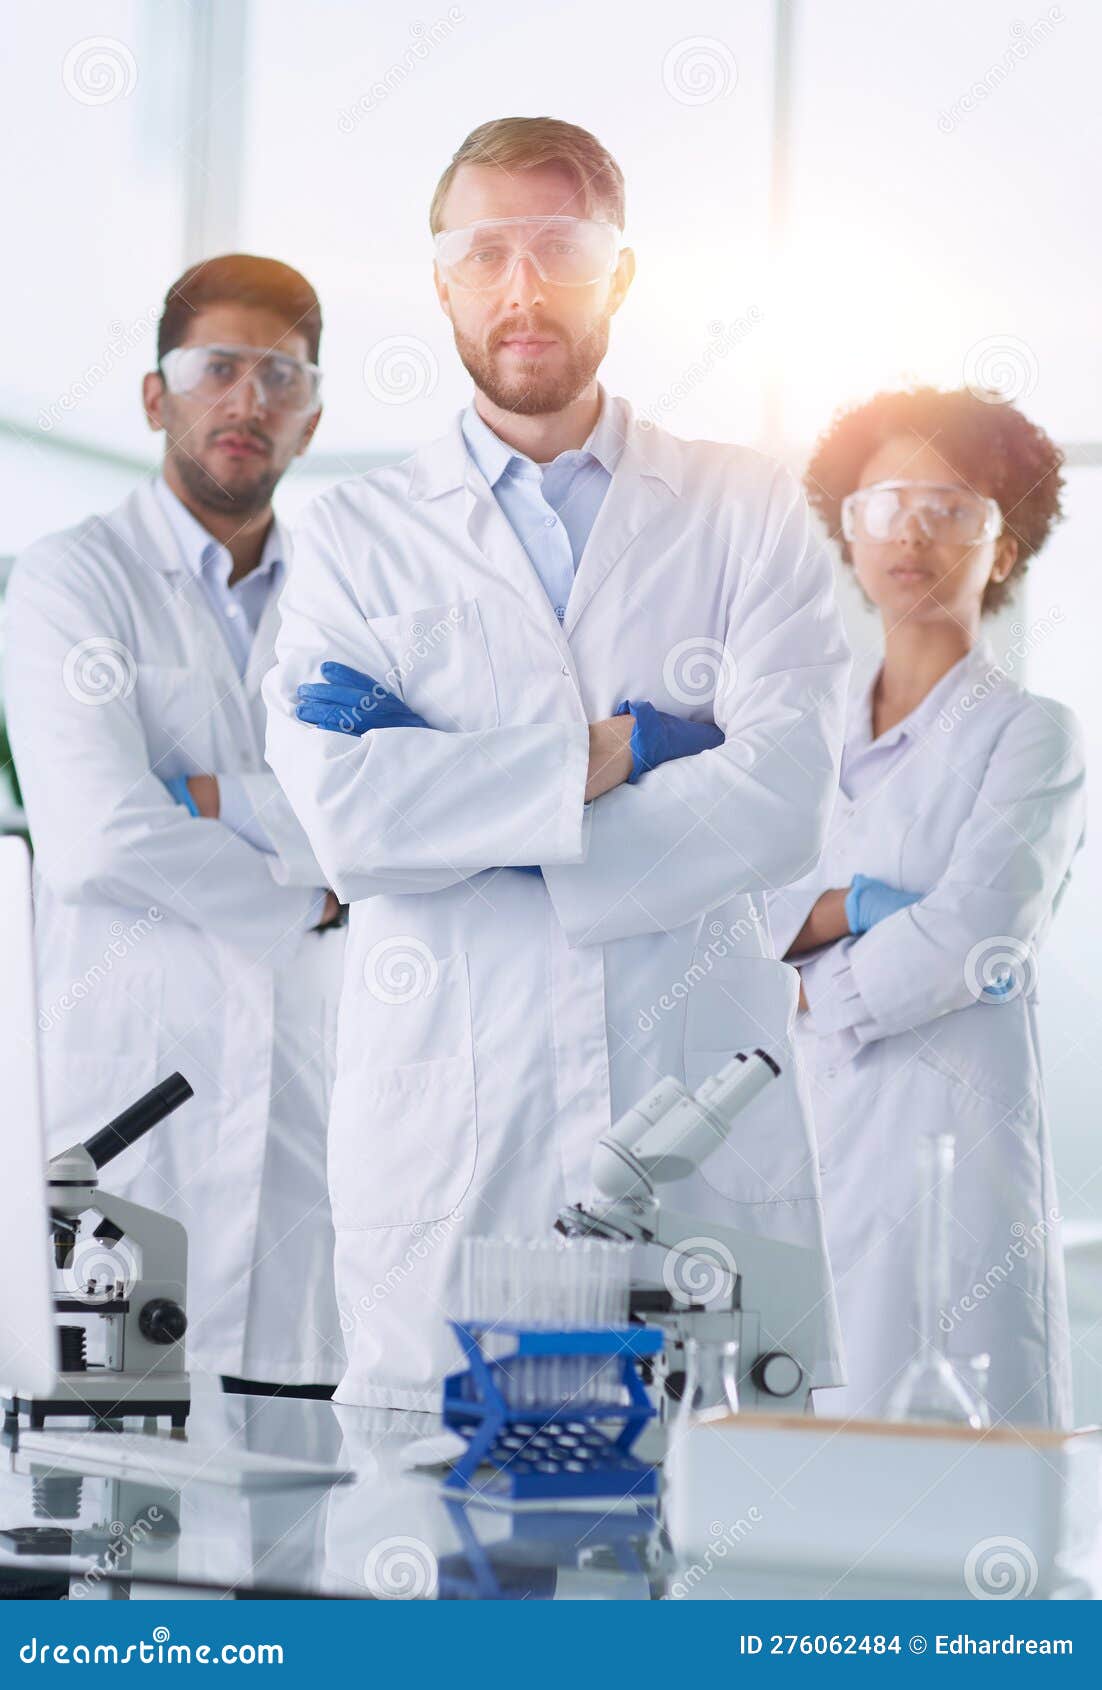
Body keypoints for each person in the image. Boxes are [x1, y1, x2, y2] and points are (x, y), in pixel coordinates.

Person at [265, 117, 851, 1410]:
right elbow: (347, 823)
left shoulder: (744, 505)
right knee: (434, 1503)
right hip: (455, 1151)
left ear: (619, 273)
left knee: (716, 1502)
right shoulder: (353, 533)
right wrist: (617, 751)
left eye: (560, 249)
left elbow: (781, 798)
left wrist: (462, 804)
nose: (521, 288)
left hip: (692, 1129)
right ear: (441, 283)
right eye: (484, 254)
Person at [6, 255, 347, 1397]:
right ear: (157, 396)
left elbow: (396, 818)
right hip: (121, 1114)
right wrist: (314, 886)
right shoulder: (72, 581)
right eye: (217, 369)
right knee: (99, 1463)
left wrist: (202, 797)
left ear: (311, 418)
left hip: (301, 1117)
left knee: (295, 1462)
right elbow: (94, 837)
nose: (248, 399)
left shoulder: (350, 604)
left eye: (281, 377)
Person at [768, 386, 1085, 1427]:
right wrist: (853, 908)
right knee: (789, 1472)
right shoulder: (794, 733)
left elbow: (975, 938)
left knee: (952, 1472)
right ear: (849, 532)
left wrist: (800, 985)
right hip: (798, 1152)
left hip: (952, 1164)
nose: (913, 532)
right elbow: (726, 921)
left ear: (1003, 550)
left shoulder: (1030, 735)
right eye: (886, 504)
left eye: (951, 508)